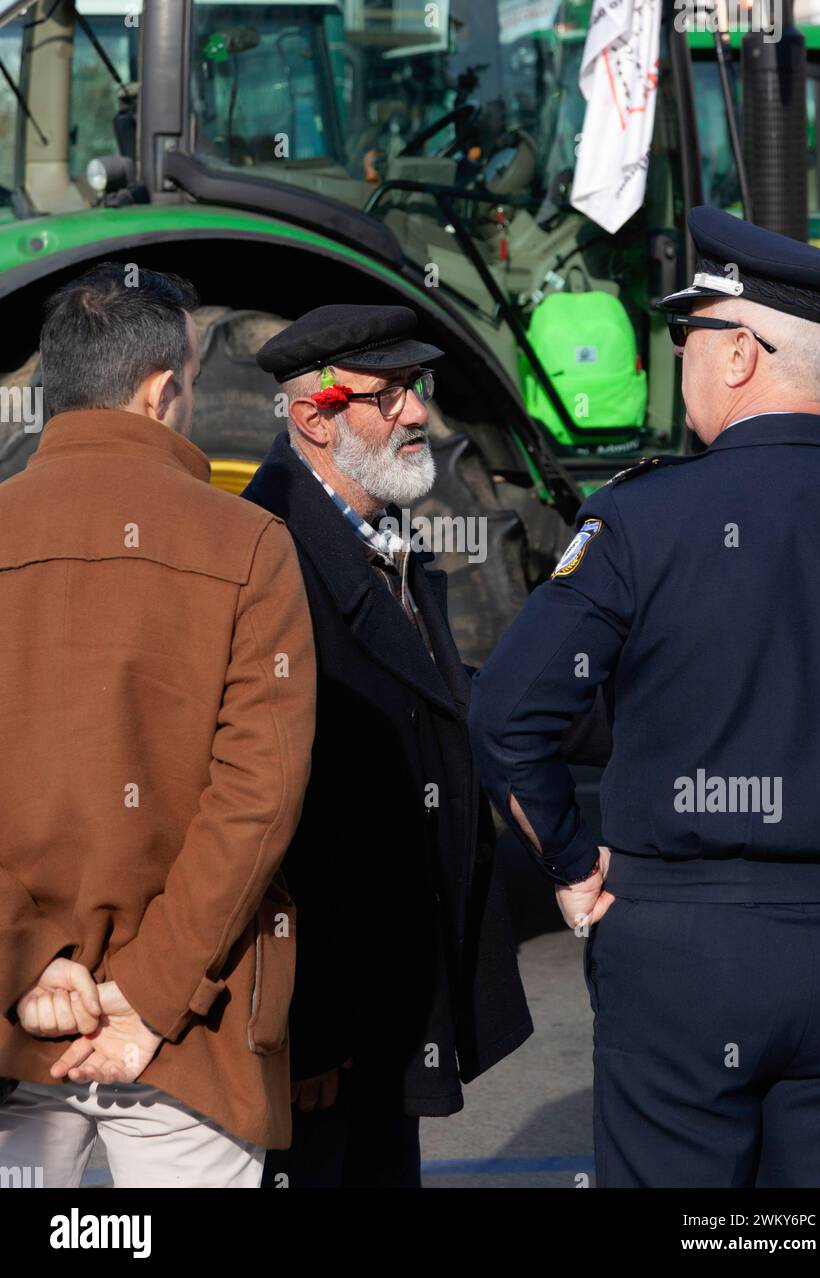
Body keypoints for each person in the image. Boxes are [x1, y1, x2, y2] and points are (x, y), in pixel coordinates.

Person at [469, 206, 820, 1188]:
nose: (673, 357)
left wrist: (569, 862)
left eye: (687, 336)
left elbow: (508, 717)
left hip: (682, 948)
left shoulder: (640, 518)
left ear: (738, 354)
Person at [0, 263, 316, 1188]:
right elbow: (259, 799)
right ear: (160, 390)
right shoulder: (249, 544)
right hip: (190, 1036)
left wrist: (30, 961)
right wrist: (143, 991)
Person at [243, 303, 532, 1189]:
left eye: (419, 388)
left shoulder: (377, 537)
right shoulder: (274, 558)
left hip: (388, 1013)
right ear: (315, 416)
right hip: (329, 1038)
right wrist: (312, 1031)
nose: (418, 415)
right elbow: (270, 819)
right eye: (390, 395)